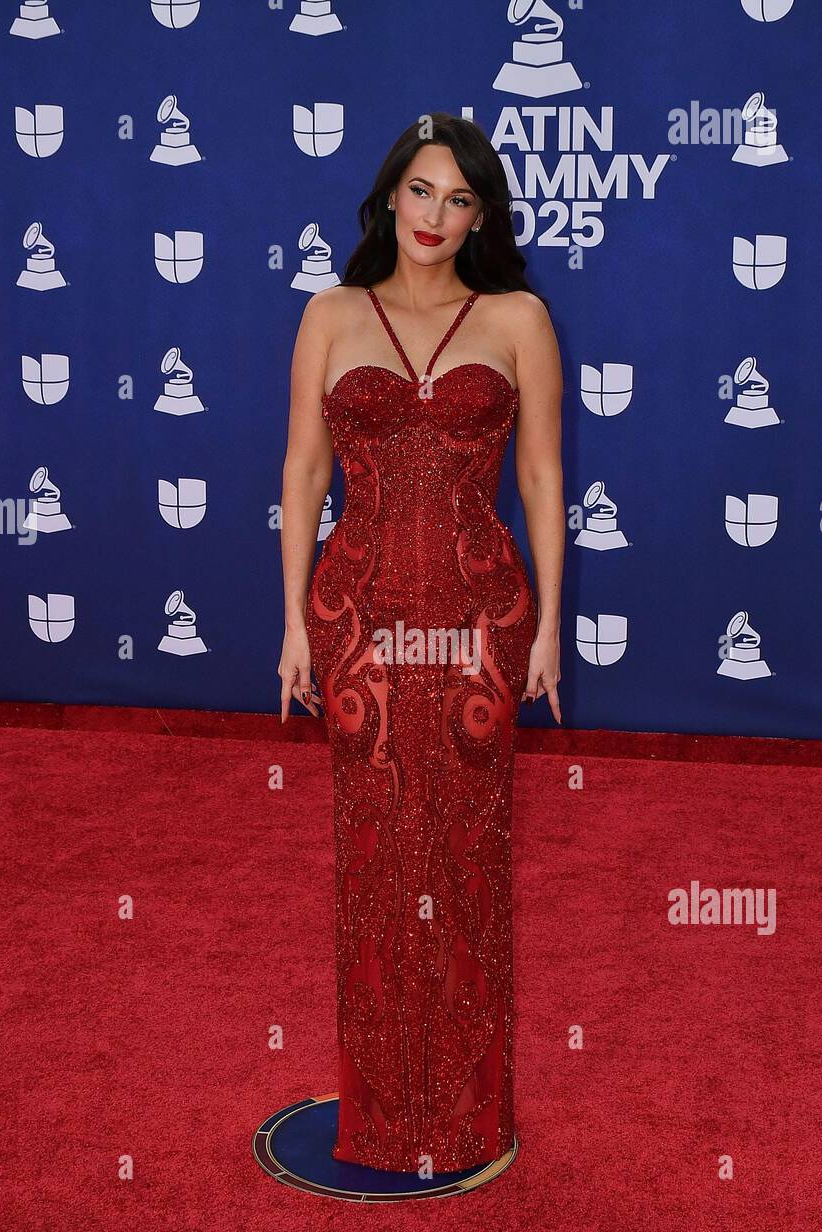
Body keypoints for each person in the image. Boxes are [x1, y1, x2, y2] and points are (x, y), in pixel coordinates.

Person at [279, 112, 564, 1174]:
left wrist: (544, 626)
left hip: (477, 619)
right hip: (355, 620)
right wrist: (291, 624)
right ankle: (382, 1119)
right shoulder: (330, 313)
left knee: (464, 859)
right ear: (388, 195)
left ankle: (463, 1118)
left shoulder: (518, 318)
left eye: (459, 200)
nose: (435, 216)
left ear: (478, 216)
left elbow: (539, 477)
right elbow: (303, 474)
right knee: (373, 864)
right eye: (420, 191)